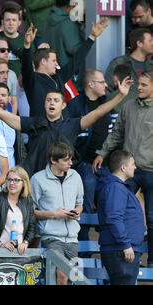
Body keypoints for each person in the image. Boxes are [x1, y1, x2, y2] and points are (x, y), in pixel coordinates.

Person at [0, 74, 132, 176]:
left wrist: (121, 95)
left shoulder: (72, 125)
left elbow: (97, 113)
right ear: (45, 104)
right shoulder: (34, 122)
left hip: (62, 181)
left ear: (63, 106)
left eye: (56, 100)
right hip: (35, 178)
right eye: (48, 100)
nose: (52, 103)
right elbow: (4, 114)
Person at [93, 70, 153, 268]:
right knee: (121, 213)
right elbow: (116, 134)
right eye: (138, 84)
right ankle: (126, 256)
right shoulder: (128, 107)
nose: (139, 88)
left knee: (152, 218)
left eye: (144, 84)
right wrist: (102, 152)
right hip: (129, 170)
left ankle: (151, 261)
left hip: (151, 171)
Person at [22, 20, 108, 117]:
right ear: (43, 61)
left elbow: (76, 60)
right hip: (42, 130)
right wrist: (27, 46)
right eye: (54, 61)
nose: (56, 64)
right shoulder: (32, 80)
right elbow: (25, 67)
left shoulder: (59, 76)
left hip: (63, 129)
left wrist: (92, 37)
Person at [64, 69, 113, 240]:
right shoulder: (76, 105)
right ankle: (83, 252)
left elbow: (114, 134)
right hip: (85, 165)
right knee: (83, 208)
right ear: (91, 84)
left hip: (107, 166)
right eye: (102, 82)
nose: (106, 85)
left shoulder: (106, 103)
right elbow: (70, 136)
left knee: (109, 208)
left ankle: (106, 251)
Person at [30, 141, 83, 285]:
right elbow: (30, 212)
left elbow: (80, 204)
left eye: (71, 159)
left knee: (73, 279)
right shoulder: (37, 179)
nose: (71, 163)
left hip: (73, 239)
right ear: (53, 160)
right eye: (66, 160)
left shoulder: (76, 176)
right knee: (61, 274)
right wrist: (54, 214)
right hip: (51, 237)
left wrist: (77, 212)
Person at [96, 150, 145, 285]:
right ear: (123, 168)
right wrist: (125, 244)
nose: (135, 167)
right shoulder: (115, 187)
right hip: (120, 251)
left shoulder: (119, 187)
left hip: (124, 250)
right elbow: (114, 217)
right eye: (133, 164)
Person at [0, 166, 36, 254]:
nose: (11, 183)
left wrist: (26, 242)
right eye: (9, 179)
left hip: (19, 253)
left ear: (24, 183)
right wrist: (0, 244)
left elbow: (32, 227)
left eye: (16, 180)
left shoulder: (28, 201)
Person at [104, 27, 153, 114]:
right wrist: (117, 109)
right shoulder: (119, 62)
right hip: (124, 116)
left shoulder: (151, 65)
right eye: (150, 41)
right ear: (139, 43)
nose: (152, 43)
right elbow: (106, 89)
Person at [41, 0, 85, 67]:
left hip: (50, 67)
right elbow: (74, 48)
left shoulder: (48, 18)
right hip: (67, 70)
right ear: (71, 5)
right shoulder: (68, 22)